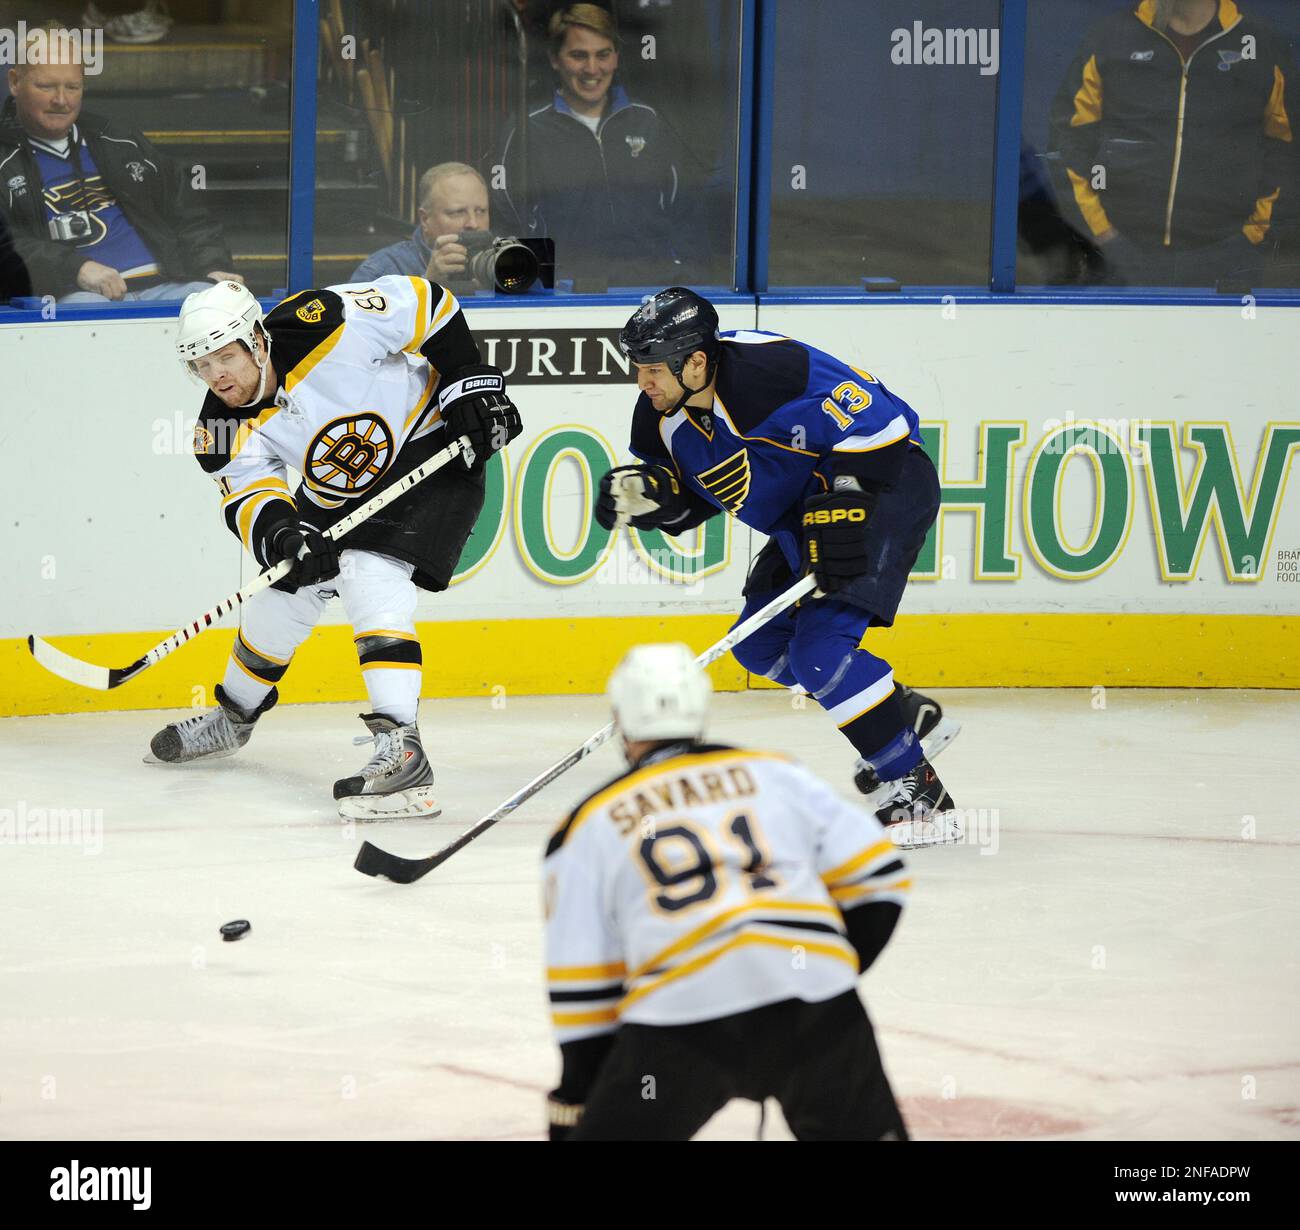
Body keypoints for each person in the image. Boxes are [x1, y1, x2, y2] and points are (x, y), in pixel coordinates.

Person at [145, 275, 522, 819]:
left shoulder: (322, 320)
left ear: (256, 339)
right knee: (285, 584)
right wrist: (282, 534)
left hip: (433, 450)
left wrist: (468, 379)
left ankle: (403, 750)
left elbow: (426, 302)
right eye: (200, 365)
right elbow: (250, 496)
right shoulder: (218, 428)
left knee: (369, 572)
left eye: (224, 356)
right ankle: (233, 718)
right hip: (338, 491)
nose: (216, 375)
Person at [595, 288, 960, 840]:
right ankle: (897, 715)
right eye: (638, 368)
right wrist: (654, 497)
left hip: (884, 492)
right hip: (801, 515)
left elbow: (885, 425)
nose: (642, 383)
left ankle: (919, 790)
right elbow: (695, 495)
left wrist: (846, 496)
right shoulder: (659, 417)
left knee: (819, 655)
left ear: (695, 361)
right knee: (757, 646)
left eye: (651, 369)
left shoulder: (771, 368)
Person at [543, 642, 911, 1141]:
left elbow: (582, 980)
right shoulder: (777, 773)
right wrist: (828, 973)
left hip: (683, 1024)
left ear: (620, 719)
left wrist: (577, 1095)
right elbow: (880, 877)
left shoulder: (588, 824)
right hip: (817, 1014)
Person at [1050, 0, 1298, 288]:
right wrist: (1103, 235)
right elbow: (1068, 140)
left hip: (1227, 260)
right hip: (1121, 257)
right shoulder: (1112, 37)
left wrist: (1249, 237)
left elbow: (1288, 150)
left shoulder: (1261, 44)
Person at [0, 41, 239, 302]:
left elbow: (187, 214)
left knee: (221, 302)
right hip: (76, 297)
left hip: (166, 288)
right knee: (86, 310)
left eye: (72, 87)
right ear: (14, 82)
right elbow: (5, 247)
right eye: (46, 87)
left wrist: (213, 265)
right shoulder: (5, 160)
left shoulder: (120, 141)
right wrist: (75, 269)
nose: (61, 100)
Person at [496, 3, 685, 287]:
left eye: (603, 55)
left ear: (616, 58)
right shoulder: (526, 128)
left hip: (650, 287)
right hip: (568, 292)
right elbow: (509, 216)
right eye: (578, 55)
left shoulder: (647, 120)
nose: (592, 68)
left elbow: (681, 207)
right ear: (554, 59)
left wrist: (681, 273)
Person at [350, 162, 492, 290]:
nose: (473, 224)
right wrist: (428, 285)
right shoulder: (382, 271)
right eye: (457, 212)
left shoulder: (500, 262)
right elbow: (353, 318)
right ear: (425, 219)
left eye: (481, 211)